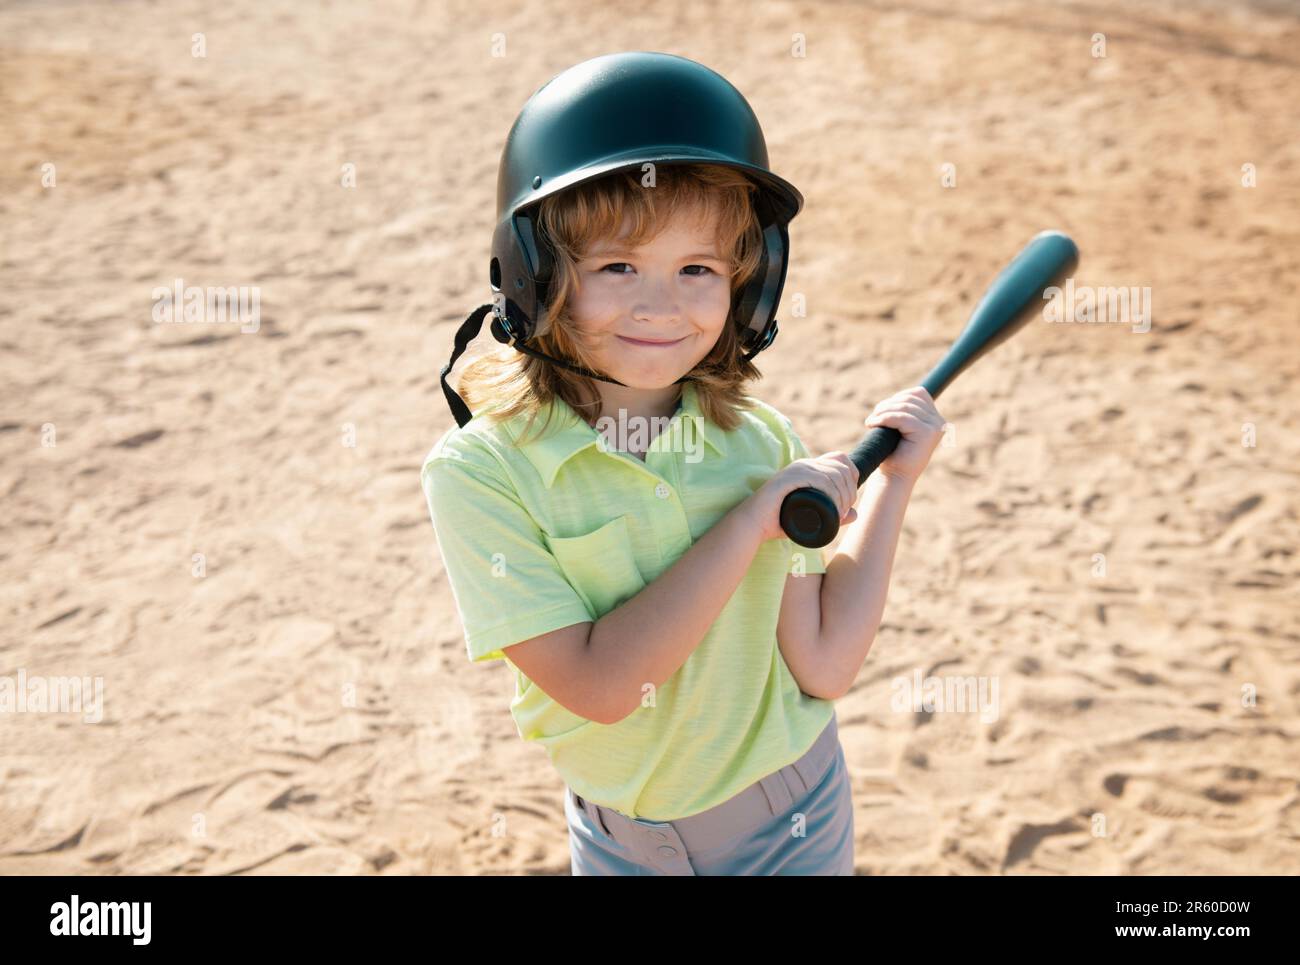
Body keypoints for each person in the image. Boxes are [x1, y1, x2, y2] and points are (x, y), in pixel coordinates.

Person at [420, 52, 945, 875]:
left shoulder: (758, 441)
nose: (661, 306)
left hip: (793, 819)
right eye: (617, 266)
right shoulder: (482, 474)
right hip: (617, 842)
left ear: (752, 282)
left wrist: (895, 484)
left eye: (698, 269)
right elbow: (601, 686)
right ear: (536, 276)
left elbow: (826, 661)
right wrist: (748, 523)